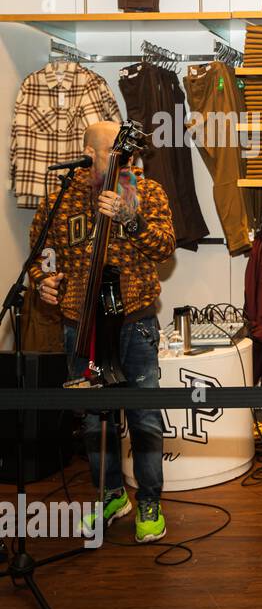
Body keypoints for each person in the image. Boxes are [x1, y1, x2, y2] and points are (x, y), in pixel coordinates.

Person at [28, 121, 177, 543]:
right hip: (80, 323)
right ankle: (110, 495)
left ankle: (149, 500)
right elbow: (43, 251)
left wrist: (132, 220)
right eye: (112, 152)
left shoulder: (145, 191)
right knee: (94, 420)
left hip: (135, 320)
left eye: (124, 152)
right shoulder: (62, 197)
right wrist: (45, 279)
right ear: (89, 153)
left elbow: (164, 248)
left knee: (144, 413)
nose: (122, 160)